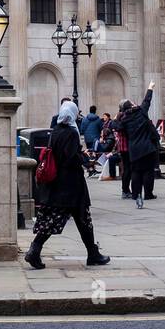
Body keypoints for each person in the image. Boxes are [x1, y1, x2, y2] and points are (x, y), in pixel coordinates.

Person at [24, 101, 110, 270]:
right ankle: (34, 251)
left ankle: (92, 253)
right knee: (75, 218)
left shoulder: (55, 131)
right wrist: (84, 158)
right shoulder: (71, 132)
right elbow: (70, 158)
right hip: (70, 185)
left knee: (78, 219)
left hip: (58, 184)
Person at [115, 84, 158, 208]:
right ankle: (148, 193)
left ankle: (135, 194)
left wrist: (115, 119)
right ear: (132, 106)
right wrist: (150, 88)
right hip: (147, 147)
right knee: (148, 171)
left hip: (133, 148)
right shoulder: (141, 112)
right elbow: (147, 101)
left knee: (136, 172)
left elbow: (116, 127)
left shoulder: (124, 119)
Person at [111, 103, 133, 198]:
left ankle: (125, 190)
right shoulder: (125, 117)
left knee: (126, 168)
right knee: (128, 169)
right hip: (127, 146)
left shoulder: (118, 117)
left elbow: (114, 125)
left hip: (122, 146)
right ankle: (126, 190)